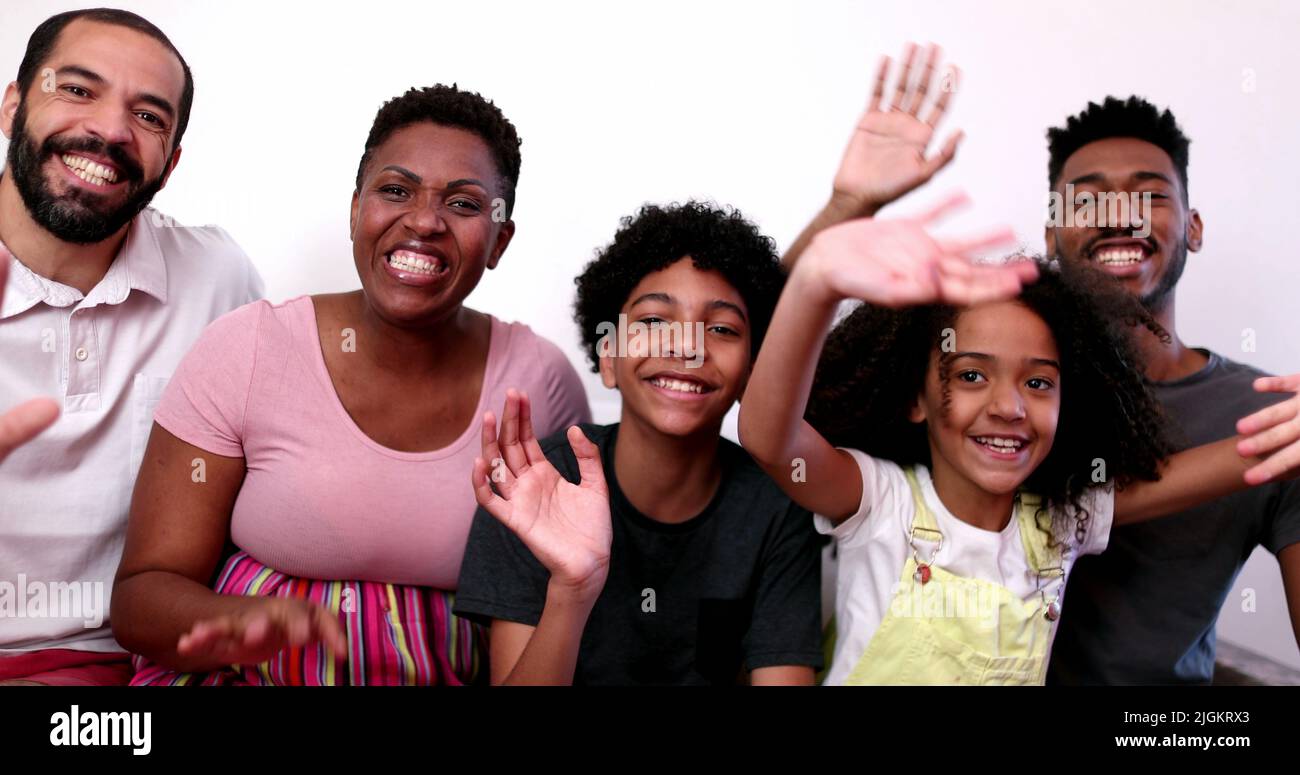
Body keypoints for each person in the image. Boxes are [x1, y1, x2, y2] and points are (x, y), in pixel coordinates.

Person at [111, 84, 590, 685]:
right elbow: (140, 597)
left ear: (499, 241)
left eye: (465, 205)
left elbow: (554, 605)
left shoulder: (539, 385)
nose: (423, 220)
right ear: (355, 209)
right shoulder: (249, 349)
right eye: (395, 190)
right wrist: (241, 623)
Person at [736, 191, 1300, 685]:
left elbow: (1246, 457)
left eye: (1037, 382)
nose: (1008, 407)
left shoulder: (1063, 523)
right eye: (972, 375)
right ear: (916, 400)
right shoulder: (880, 502)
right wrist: (816, 284)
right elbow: (768, 437)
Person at [0, 8, 263, 686]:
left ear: (169, 165)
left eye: (148, 117)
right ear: (12, 105)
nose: (111, 130)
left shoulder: (218, 277)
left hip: (143, 663)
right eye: (78, 89)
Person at [455, 202, 824, 684]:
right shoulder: (534, 488)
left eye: (722, 329)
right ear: (608, 358)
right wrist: (573, 586)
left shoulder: (776, 509)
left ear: (753, 371)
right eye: (653, 321)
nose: (687, 345)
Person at [1042, 97, 1300, 684]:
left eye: (1150, 195)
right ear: (1051, 234)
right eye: (1086, 200)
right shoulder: (1001, 394)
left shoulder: (1273, 417)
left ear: (1193, 227)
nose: (1118, 214)